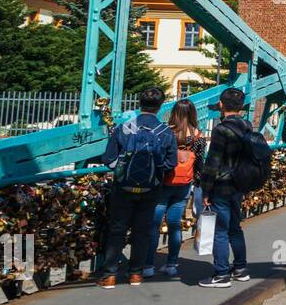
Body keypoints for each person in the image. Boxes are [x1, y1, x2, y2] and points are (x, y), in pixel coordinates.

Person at [96, 87, 178, 289]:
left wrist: (122, 171)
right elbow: (171, 163)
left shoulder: (123, 128)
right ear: (160, 107)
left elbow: (108, 158)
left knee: (117, 230)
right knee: (142, 231)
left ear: (139, 104)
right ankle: (135, 274)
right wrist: (155, 173)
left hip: (123, 188)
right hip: (151, 189)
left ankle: (110, 275)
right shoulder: (165, 132)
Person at [197, 87, 256, 288]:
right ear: (241, 107)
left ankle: (221, 274)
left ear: (221, 105)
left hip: (222, 185)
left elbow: (212, 162)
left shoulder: (221, 129)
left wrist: (206, 190)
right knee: (235, 228)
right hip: (240, 184)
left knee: (219, 231)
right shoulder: (248, 126)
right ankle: (240, 269)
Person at [147, 99, 206, 278]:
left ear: (174, 113)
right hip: (184, 183)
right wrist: (198, 182)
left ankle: (148, 265)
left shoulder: (166, 132)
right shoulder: (198, 135)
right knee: (174, 225)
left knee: (154, 225)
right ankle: (171, 264)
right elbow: (199, 162)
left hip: (164, 183)